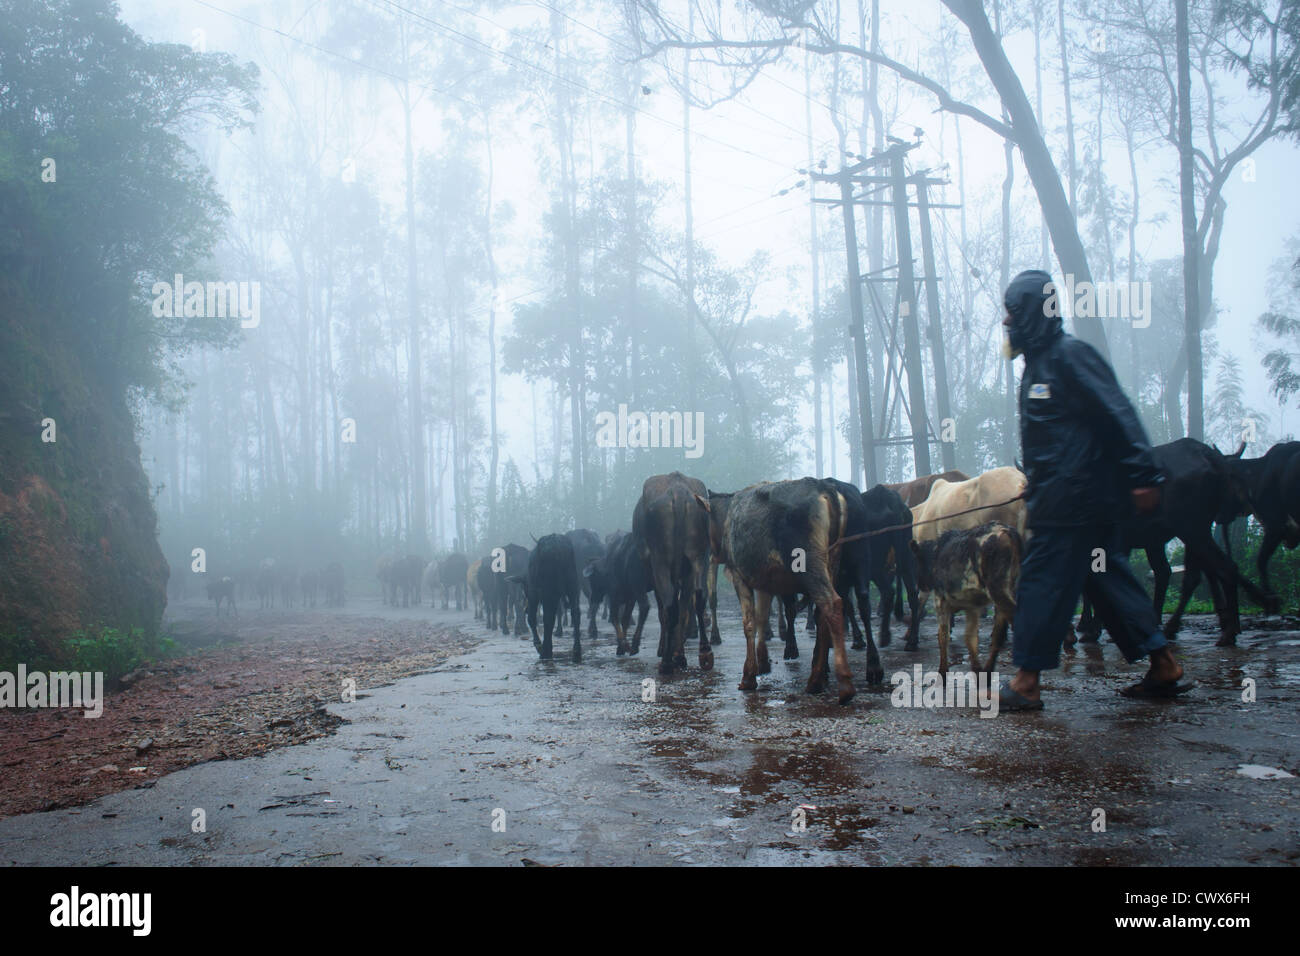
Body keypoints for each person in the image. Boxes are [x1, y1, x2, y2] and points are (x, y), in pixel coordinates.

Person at [997, 269, 1191, 710]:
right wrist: (1036, 485)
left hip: (1075, 505)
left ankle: (1026, 681)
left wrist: (1144, 475)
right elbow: (1058, 440)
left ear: (1030, 313)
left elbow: (1118, 413)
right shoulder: (1038, 367)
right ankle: (1163, 664)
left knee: (1041, 584)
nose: (1006, 323)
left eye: (1011, 313)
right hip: (1064, 499)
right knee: (1107, 580)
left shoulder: (1070, 357)